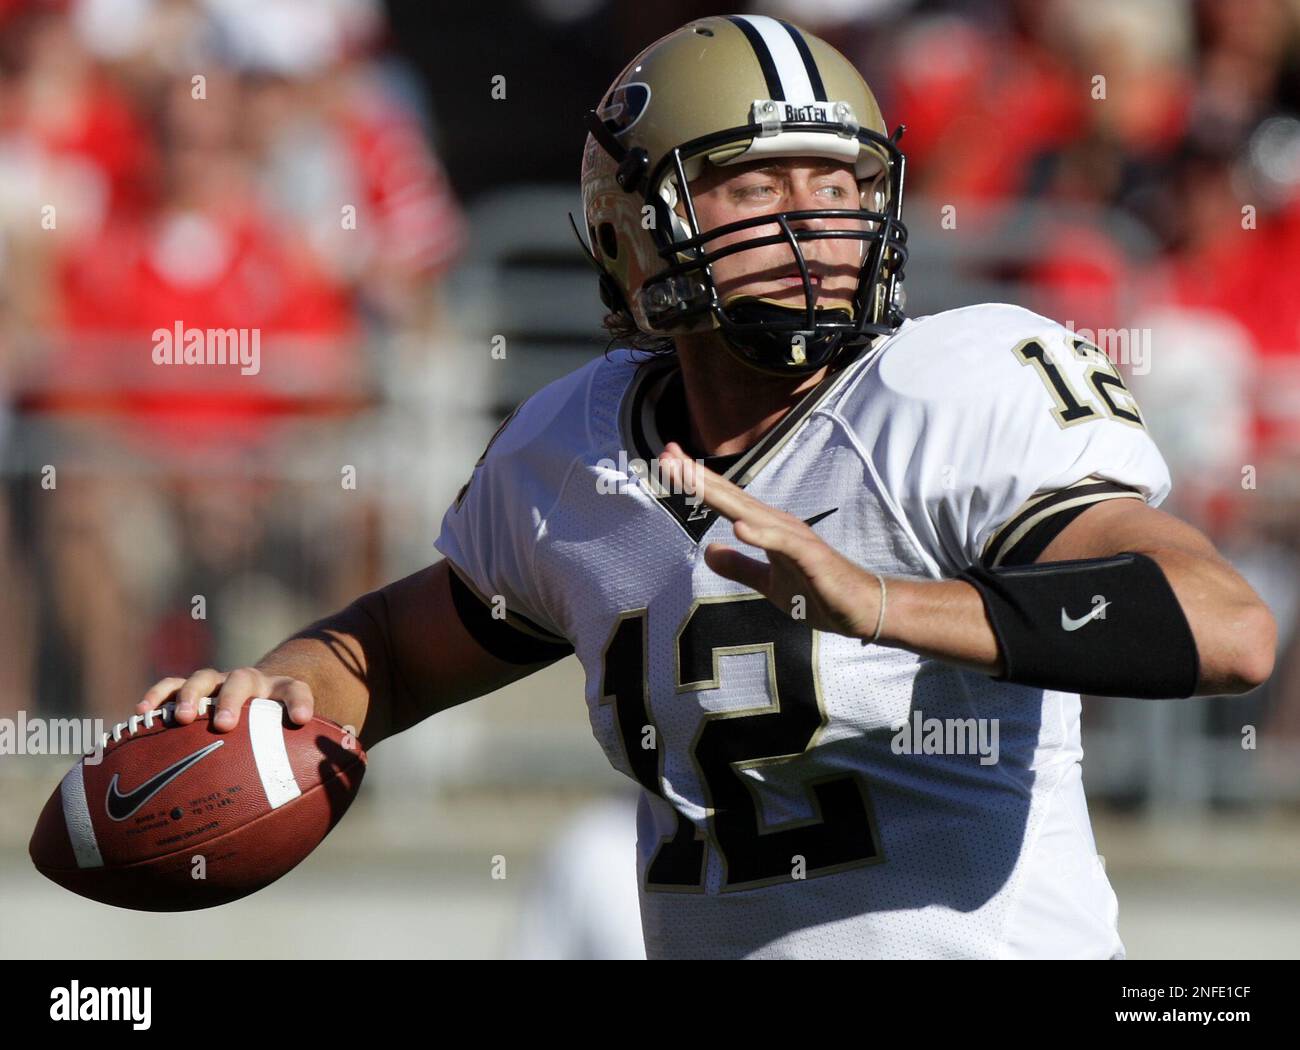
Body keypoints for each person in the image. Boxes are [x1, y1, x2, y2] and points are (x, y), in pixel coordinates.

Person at [139, 14, 1275, 959]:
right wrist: (272, 694)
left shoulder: (955, 389)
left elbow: (1224, 627)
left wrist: (878, 607)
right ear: (631, 230)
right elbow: (381, 654)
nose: (812, 218)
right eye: (752, 180)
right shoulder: (568, 452)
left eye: (840, 178)